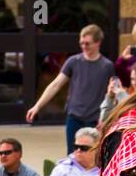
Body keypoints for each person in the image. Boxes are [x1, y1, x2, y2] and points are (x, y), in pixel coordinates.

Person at [26, 25, 116, 154]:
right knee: (73, 154)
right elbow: (56, 84)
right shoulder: (73, 62)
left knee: (94, 155)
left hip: (95, 119)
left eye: (87, 43)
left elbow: (112, 94)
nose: (84, 46)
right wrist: (37, 106)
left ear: (98, 43)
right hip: (75, 117)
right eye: (81, 43)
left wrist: (107, 118)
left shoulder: (107, 66)